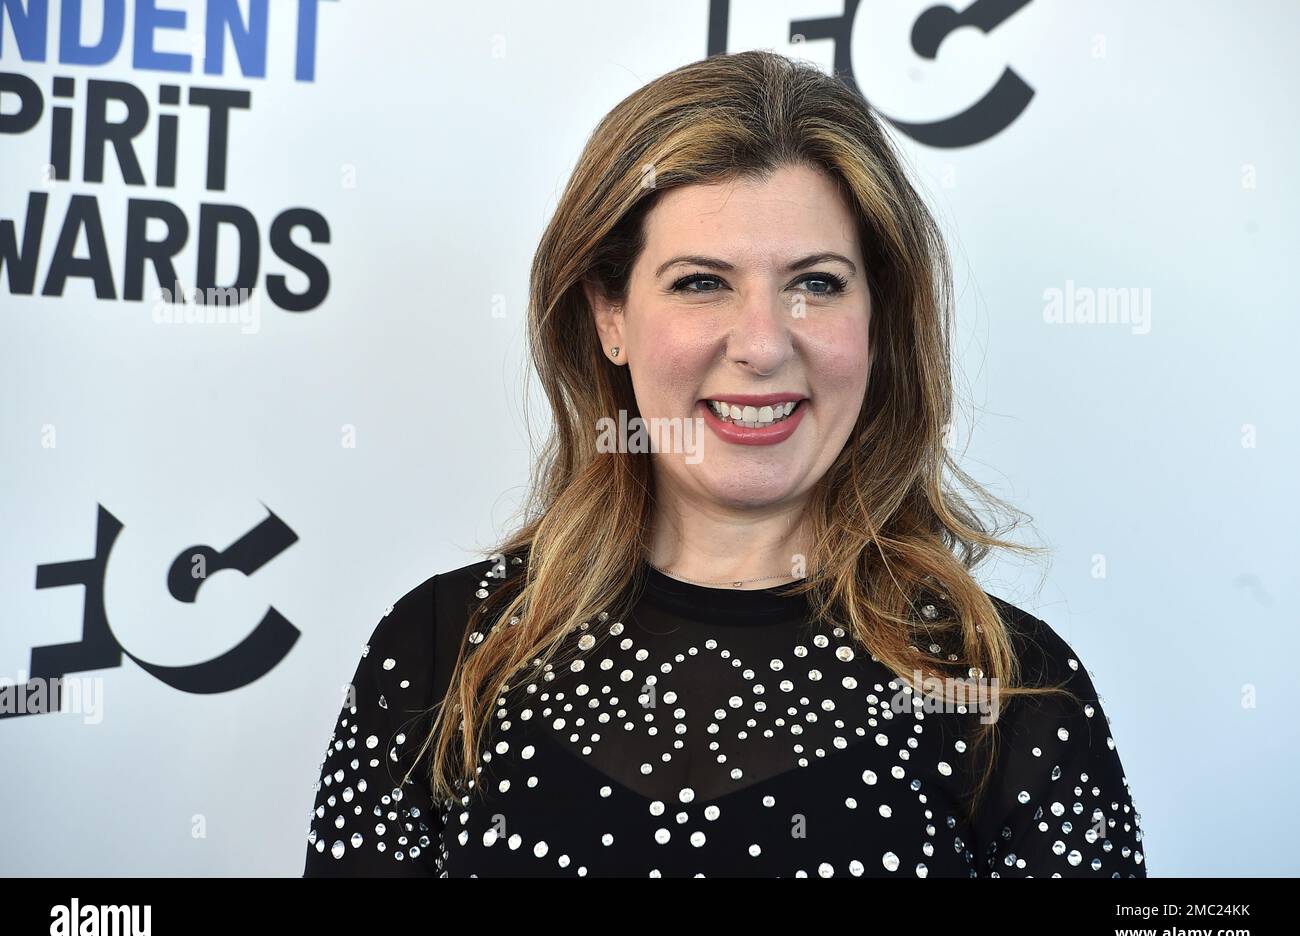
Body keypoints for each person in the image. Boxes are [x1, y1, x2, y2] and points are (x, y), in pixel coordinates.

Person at [303, 50, 1146, 877]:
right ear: (610, 316)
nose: (763, 345)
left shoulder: (1005, 690)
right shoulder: (443, 654)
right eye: (702, 283)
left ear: (878, 319)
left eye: (815, 284)